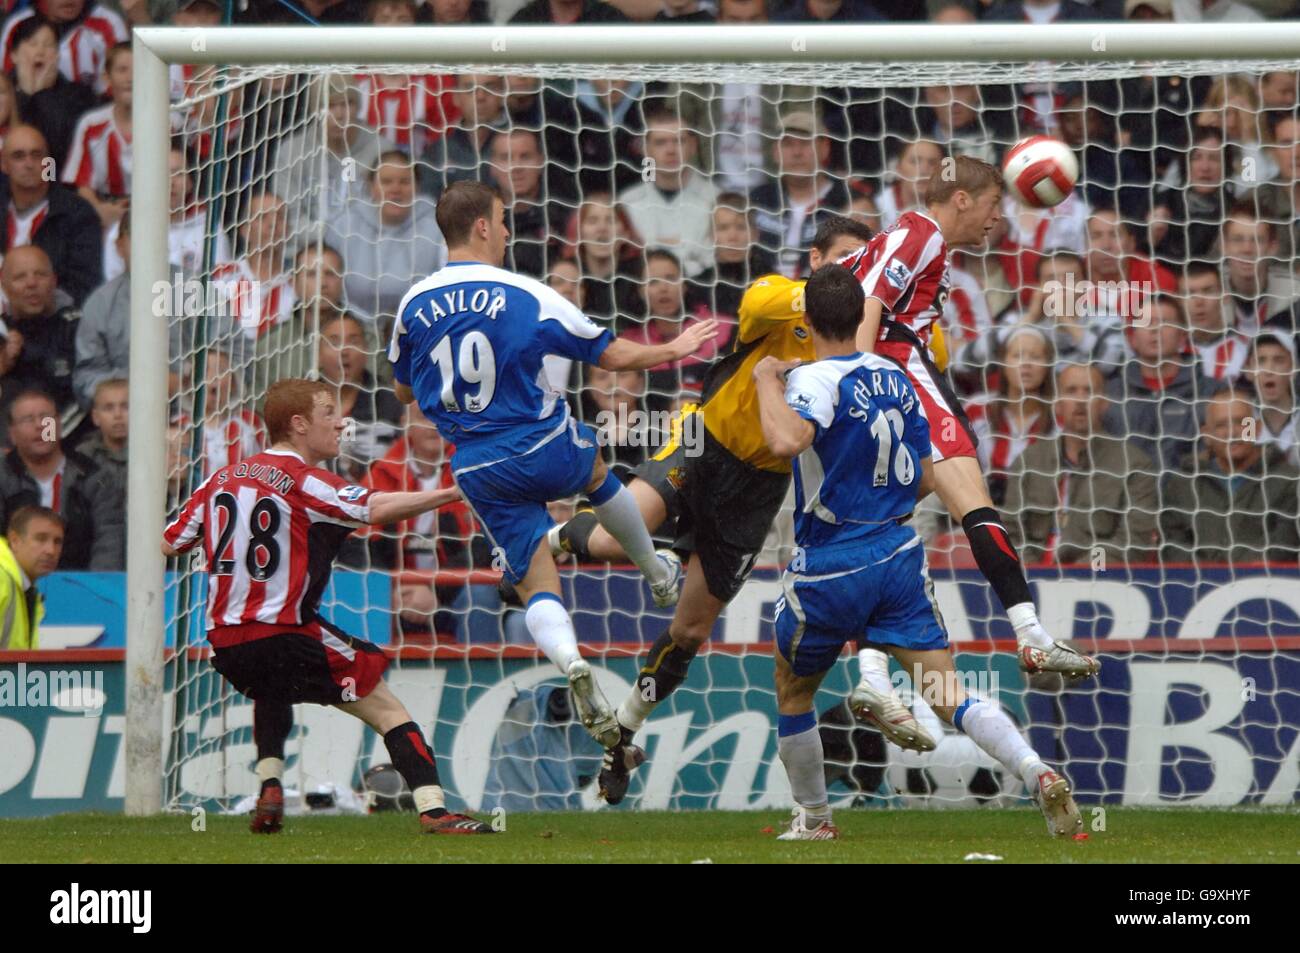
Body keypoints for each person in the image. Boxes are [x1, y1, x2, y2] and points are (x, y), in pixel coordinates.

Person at [756, 265, 1082, 840]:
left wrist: (764, 378)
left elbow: (784, 441)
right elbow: (928, 474)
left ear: (805, 323)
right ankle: (1037, 772)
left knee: (793, 687)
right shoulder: (895, 374)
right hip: (899, 553)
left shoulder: (811, 381)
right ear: (863, 317)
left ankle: (815, 820)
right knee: (944, 690)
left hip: (830, 561)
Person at [387, 180, 716, 749]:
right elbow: (607, 353)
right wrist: (673, 349)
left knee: (534, 575)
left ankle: (570, 662)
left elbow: (403, 393)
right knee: (593, 470)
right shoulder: (524, 293)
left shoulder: (413, 304)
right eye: (503, 220)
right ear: (484, 227)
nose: (509, 231)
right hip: (539, 442)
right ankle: (655, 569)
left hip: (476, 465)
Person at [162, 377, 494, 834]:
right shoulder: (307, 481)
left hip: (225, 643)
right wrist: (453, 493)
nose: (341, 423)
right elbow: (373, 508)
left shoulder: (221, 479)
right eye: (328, 414)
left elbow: (171, 542)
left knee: (271, 689)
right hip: (283, 632)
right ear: (298, 424)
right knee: (388, 709)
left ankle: (270, 787)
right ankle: (435, 811)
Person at [848, 155, 1100, 681]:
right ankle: (1030, 635)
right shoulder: (921, 233)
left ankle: (871, 671)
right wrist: (861, 382)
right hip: (903, 380)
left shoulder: (915, 239)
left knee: (885, 524)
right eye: (991, 204)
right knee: (974, 505)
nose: (997, 218)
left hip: (889, 382)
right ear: (962, 199)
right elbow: (869, 303)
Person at [1004, 363, 1159, 566]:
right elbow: (1010, 532)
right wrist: (1034, 571)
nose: (1080, 400)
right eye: (1071, 391)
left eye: (1089, 391)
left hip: (1100, 579)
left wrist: (1085, 569)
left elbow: (1133, 542)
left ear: (1104, 403)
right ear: (1057, 403)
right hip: (1033, 576)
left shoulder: (1134, 465)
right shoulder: (1029, 461)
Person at [0, 505, 62, 650]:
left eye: (57, 542)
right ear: (14, 541)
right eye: (41, 539)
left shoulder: (26, 587)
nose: (51, 550)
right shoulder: (3, 578)